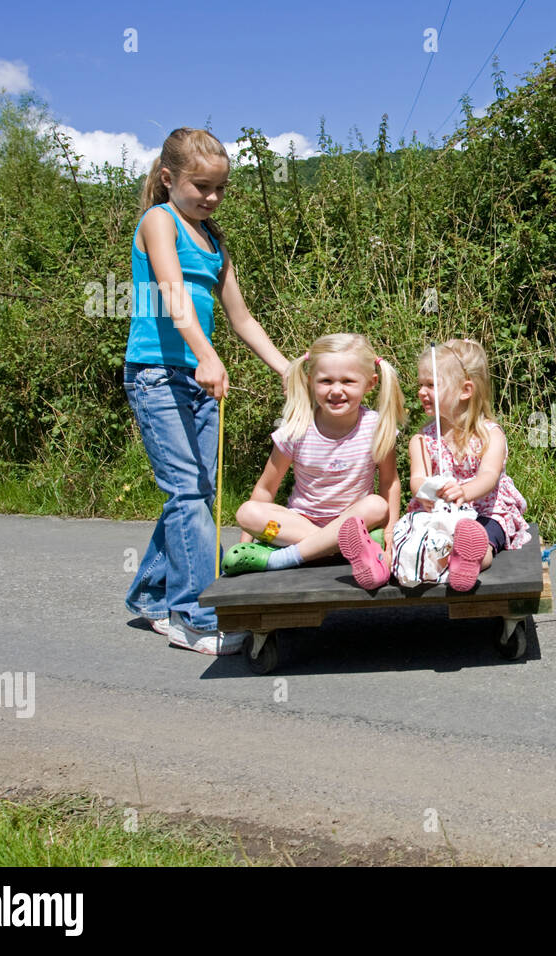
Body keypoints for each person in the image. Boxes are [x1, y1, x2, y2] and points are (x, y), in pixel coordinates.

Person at [123, 128, 290, 656]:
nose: (212, 197)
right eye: (202, 186)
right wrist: (207, 354)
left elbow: (241, 317)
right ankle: (194, 616)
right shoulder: (159, 221)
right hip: (157, 374)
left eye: (221, 188)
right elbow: (173, 296)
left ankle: (152, 594)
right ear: (169, 179)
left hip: (198, 378)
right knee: (189, 494)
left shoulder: (214, 242)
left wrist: (285, 368)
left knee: (194, 489)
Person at [221, 333, 405, 591]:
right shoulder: (296, 428)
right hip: (296, 526)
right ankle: (343, 548)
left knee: (375, 505)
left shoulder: (376, 427)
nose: (336, 390)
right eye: (326, 381)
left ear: (370, 383)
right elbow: (265, 489)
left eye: (348, 381)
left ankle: (283, 558)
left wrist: (389, 534)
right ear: (310, 380)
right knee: (248, 512)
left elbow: (389, 482)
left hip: (354, 521)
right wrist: (248, 540)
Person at [403, 339, 530, 591]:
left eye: (431, 385)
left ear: (465, 390)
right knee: (414, 536)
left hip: (484, 513)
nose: (421, 392)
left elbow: (489, 476)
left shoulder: (490, 434)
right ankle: (385, 557)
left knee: (481, 540)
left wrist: (465, 491)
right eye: (420, 384)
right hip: (440, 514)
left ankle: (469, 561)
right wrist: (424, 492)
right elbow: (417, 477)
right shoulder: (422, 439)